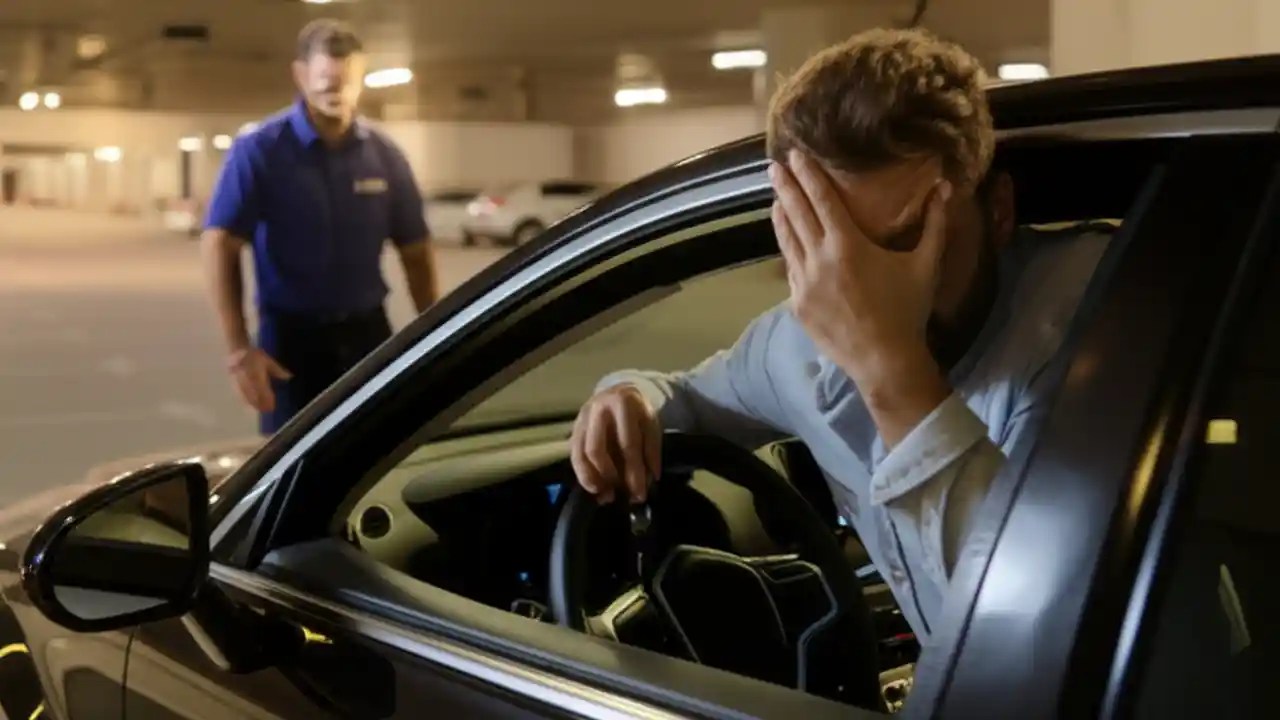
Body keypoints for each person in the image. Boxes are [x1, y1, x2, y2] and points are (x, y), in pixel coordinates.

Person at [570, 28, 1112, 644]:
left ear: (998, 210)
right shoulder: (799, 346)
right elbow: (685, 397)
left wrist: (893, 373)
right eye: (836, 254)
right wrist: (627, 398)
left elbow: (1040, 615)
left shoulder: (1101, 319)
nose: (866, 296)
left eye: (911, 241)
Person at [202, 19, 437, 435]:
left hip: (368, 335)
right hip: (290, 342)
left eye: (346, 84)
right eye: (326, 83)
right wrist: (239, 348)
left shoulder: (384, 156)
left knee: (375, 446)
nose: (336, 94)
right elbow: (221, 243)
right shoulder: (260, 151)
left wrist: (437, 334)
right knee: (294, 459)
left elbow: (416, 252)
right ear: (300, 74)